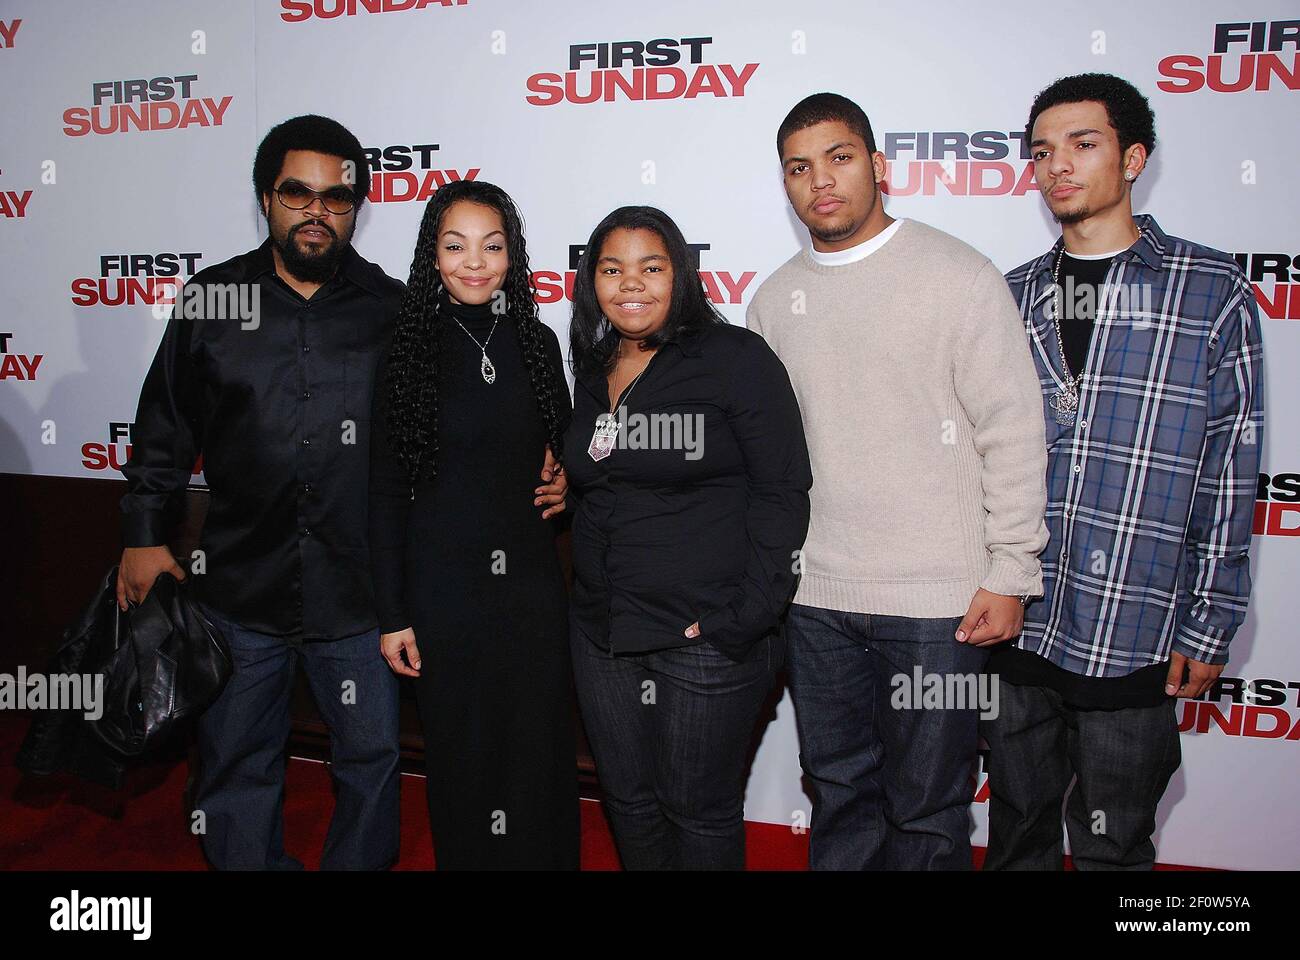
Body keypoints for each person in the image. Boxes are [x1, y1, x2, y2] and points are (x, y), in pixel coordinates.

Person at [747, 93, 1049, 870]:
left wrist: (1012, 569)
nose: (821, 180)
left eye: (840, 157)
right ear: (784, 184)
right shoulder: (773, 301)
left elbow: (1012, 432)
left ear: (879, 165)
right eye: (799, 167)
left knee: (928, 804)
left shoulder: (959, 275)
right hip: (815, 598)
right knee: (838, 790)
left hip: (938, 601)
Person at [982, 73, 1265, 870]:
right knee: (1017, 835)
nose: (1058, 166)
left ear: (1134, 157)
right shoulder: (1009, 296)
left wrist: (1210, 623)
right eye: (1042, 151)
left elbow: (1230, 464)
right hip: (1020, 622)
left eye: (1083, 144)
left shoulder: (1209, 291)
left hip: (1134, 627)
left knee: (1114, 845)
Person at [117, 115, 405, 870]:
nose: (318, 210)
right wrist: (145, 535)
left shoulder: (393, 309)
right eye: (297, 192)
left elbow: (441, 434)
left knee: (370, 760)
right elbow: (163, 426)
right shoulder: (210, 301)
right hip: (239, 589)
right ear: (265, 198)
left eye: (338, 197)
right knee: (235, 761)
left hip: (359, 593)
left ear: (357, 207)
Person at [565, 205, 811, 870]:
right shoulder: (594, 362)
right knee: (631, 800)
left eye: (651, 267)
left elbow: (783, 489)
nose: (631, 285)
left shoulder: (734, 358)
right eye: (612, 269)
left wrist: (747, 618)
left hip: (701, 635)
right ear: (592, 282)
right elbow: (598, 471)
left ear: (682, 275)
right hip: (603, 630)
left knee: (696, 809)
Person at [368, 179, 578, 870]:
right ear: (432, 254)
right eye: (455, 246)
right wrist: (394, 614)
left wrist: (566, 481)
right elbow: (384, 490)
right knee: (463, 757)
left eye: (492, 246)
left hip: (530, 591)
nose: (475, 262)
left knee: (537, 751)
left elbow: (563, 452)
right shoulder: (403, 349)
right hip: (443, 596)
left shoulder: (538, 343)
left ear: (512, 256)